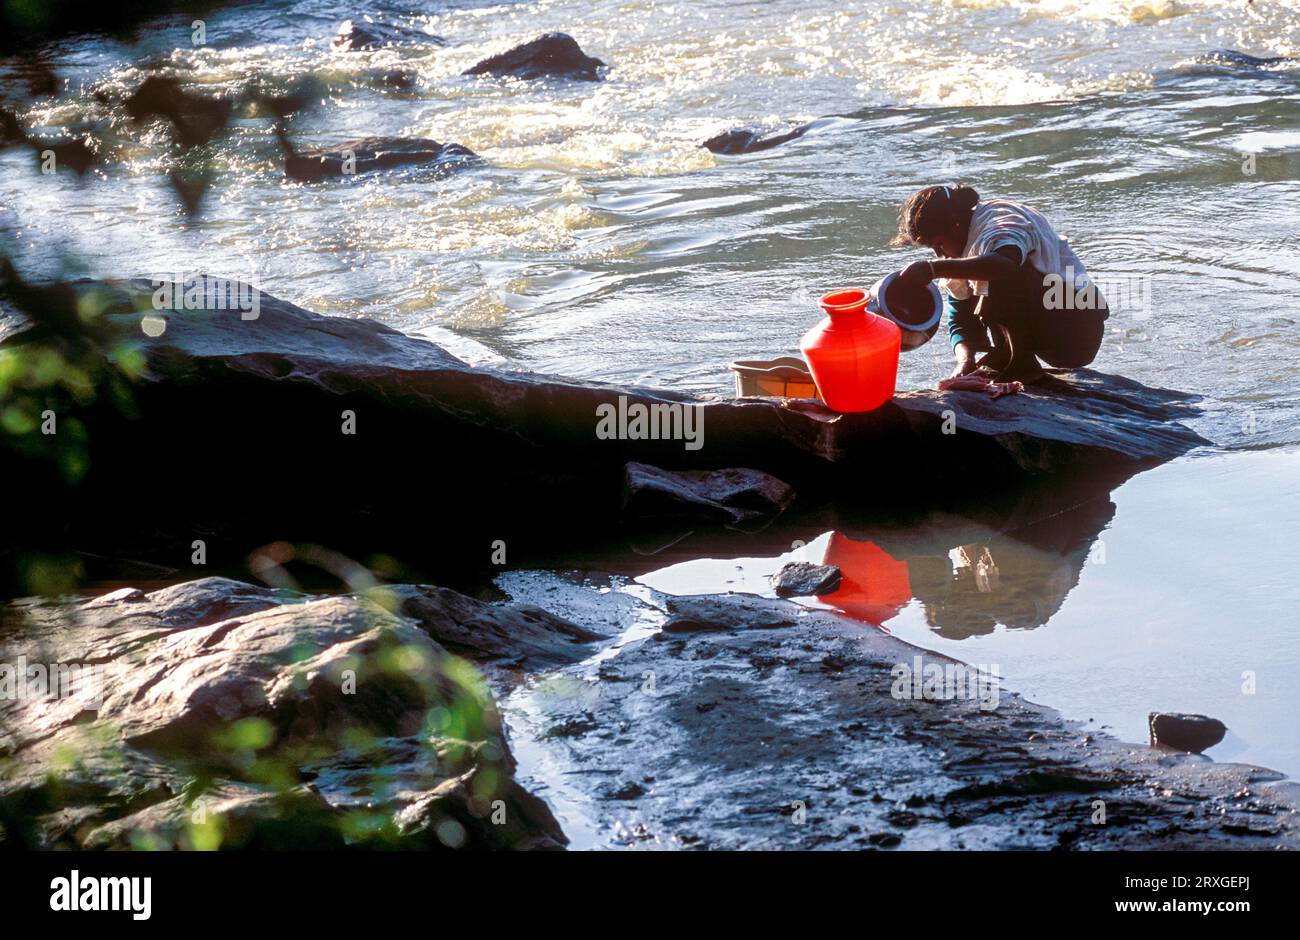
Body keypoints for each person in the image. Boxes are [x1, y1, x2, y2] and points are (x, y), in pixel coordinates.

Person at [891, 184, 1107, 382]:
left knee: (1000, 273)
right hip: (1046, 327)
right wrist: (965, 360)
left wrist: (933, 269)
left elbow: (1004, 265)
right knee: (976, 281)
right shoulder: (961, 252)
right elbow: (960, 318)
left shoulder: (1001, 221)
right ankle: (1007, 354)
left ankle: (1021, 365)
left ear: (956, 225)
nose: (938, 253)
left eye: (938, 244)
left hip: (1077, 330)